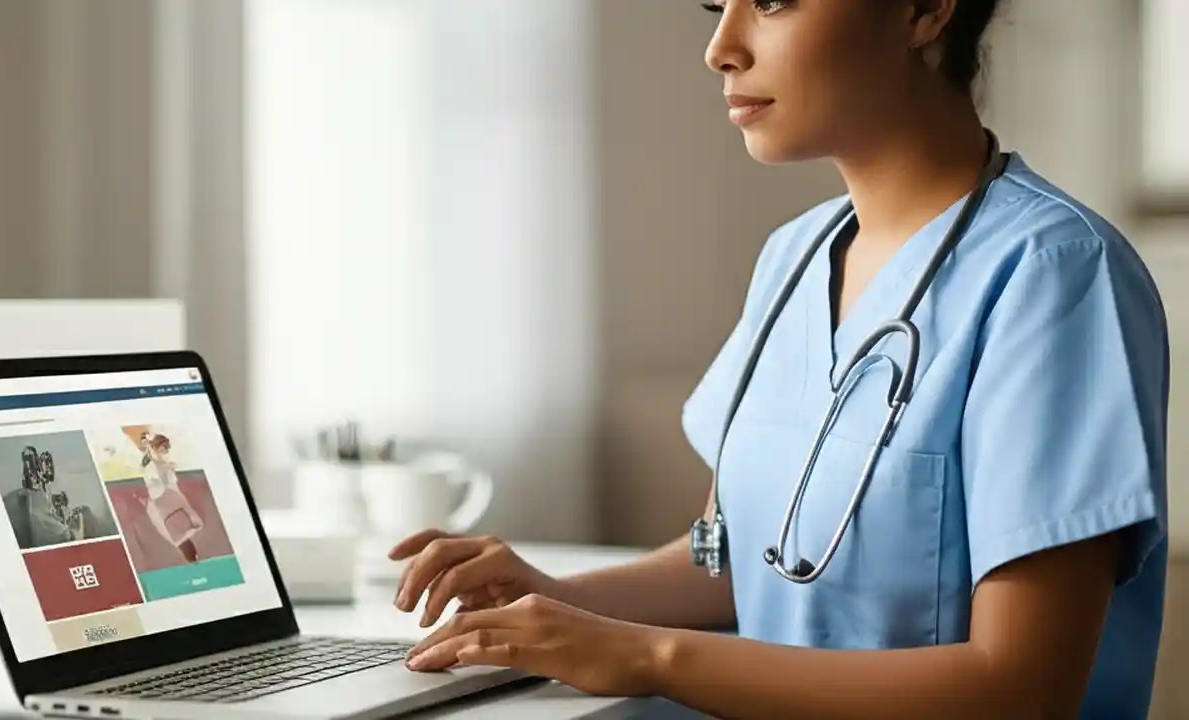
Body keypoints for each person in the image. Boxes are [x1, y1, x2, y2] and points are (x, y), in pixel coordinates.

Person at [389, 1, 1169, 718]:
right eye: (716, 6)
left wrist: (643, 654)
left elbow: (1021, 688)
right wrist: (554, 598)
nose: (720, 48)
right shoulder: (795, 258)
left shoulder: (1054, 273)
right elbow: (735, 562)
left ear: (926, 9)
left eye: (770, 2)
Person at [141, 432, 204, 563]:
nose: (166, 451)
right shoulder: (152, 465)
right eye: (164, 448)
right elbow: (153, 473)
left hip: (168, 497)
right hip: (162, 497)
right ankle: (191, 556)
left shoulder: (161, 463)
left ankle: (192, 556)